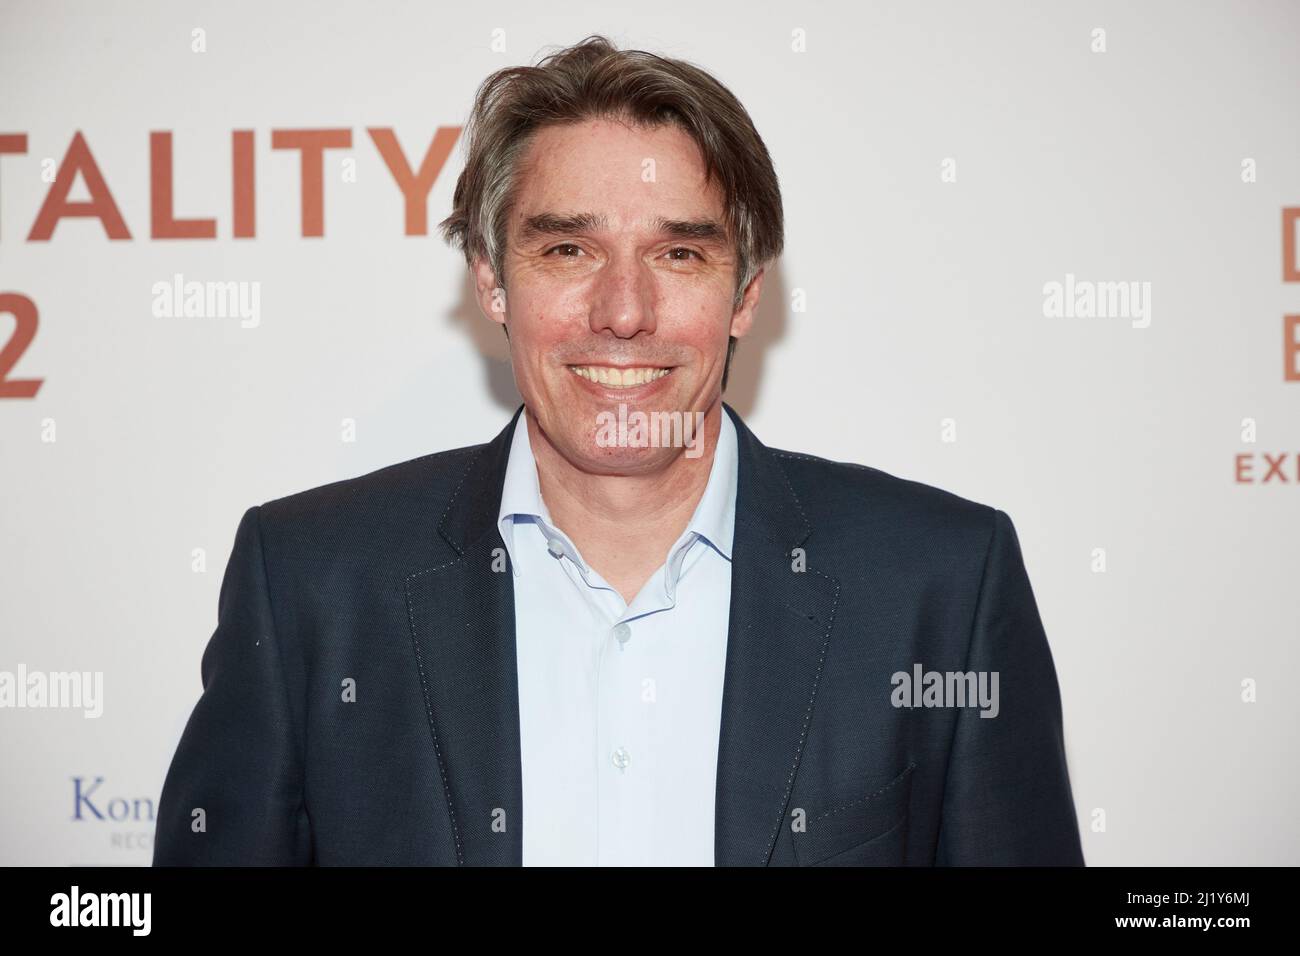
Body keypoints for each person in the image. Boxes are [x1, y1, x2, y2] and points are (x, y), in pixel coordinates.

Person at [153, 34, 1084, 866]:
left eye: (680, 255)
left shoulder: (941, 585)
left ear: (747, 293)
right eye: (567, 251)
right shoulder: (315, 582)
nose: (625, 313)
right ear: (492, 283)